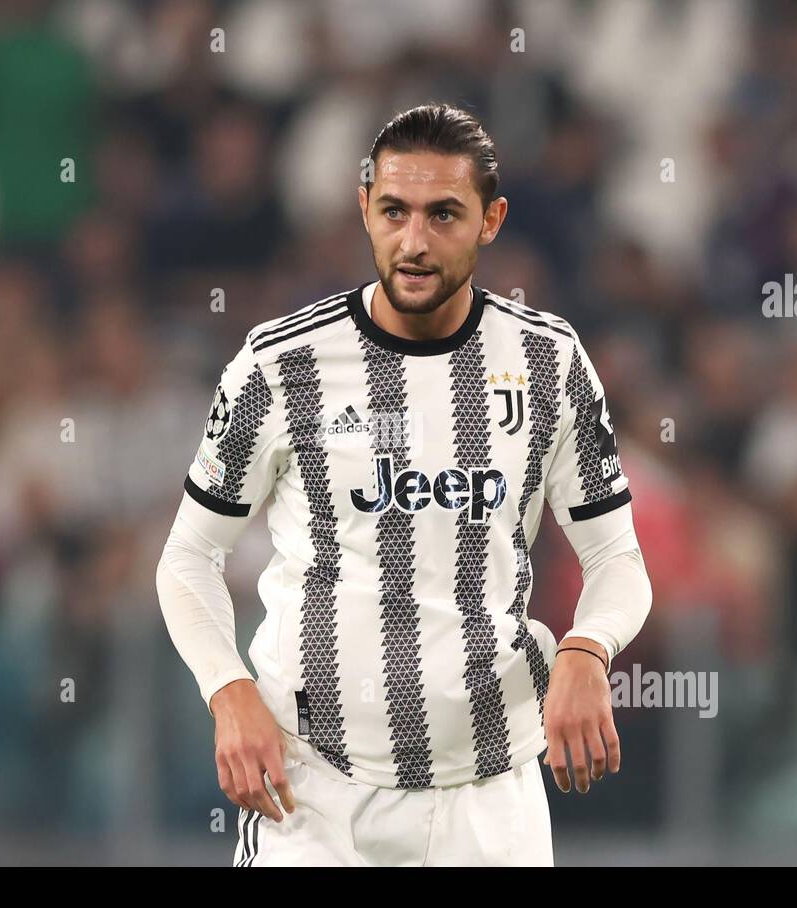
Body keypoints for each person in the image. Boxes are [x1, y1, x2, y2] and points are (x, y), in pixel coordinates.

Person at [156, 103, 652, 866]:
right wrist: (228, 691)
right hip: (316, 793)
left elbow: (617, 559)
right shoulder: (279, 365)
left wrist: (588, 648)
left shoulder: (550, 362)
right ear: (365, 210)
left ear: (492, 221)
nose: (414, 241)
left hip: (491, 795)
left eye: (444, 214)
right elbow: (188, 557)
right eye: (394, 211)